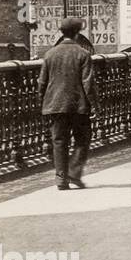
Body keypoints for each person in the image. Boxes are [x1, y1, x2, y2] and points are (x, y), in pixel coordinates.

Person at [37, 17, 97, 190]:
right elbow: (88, 83)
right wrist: (95, 106)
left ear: (62, 33)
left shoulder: (49, 54)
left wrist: (41, 103)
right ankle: (74, 172)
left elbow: (42, 82)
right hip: (78, 106)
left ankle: (61, 179)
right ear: (77, 33)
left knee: (59, 141)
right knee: (82, 139)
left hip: (55, 105)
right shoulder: (83, 54)